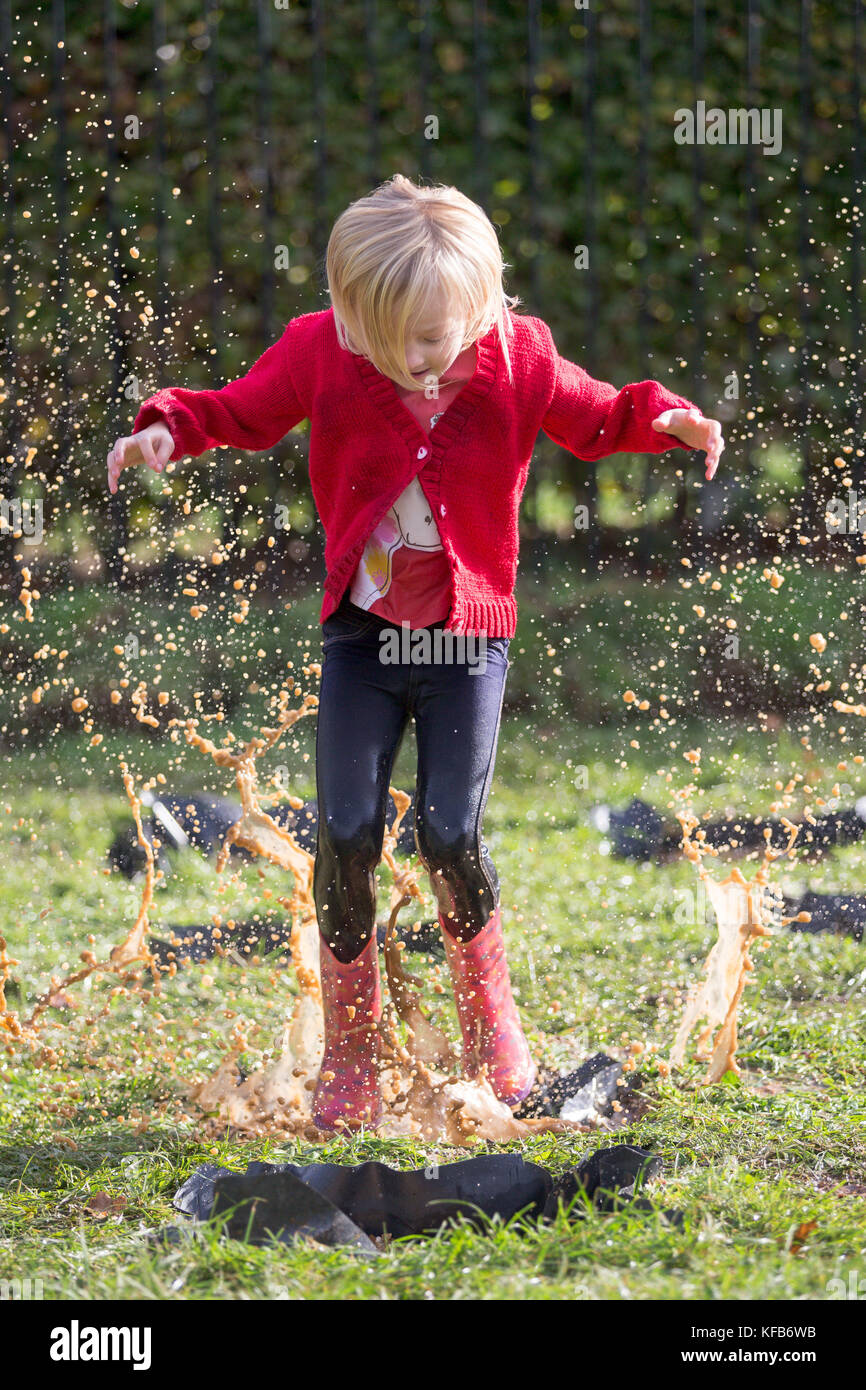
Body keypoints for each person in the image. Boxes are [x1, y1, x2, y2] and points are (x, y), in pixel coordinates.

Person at [107, 173, 724, 1131]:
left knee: (448, 833)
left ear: (481, 308)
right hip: (361, 643)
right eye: (383, 344)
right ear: (343, 315)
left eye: (433, 342)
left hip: (467, 647)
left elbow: (595, 413)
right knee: (345, 831)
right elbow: (242, 410)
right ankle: (351, 1051)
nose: (413, 365)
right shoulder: (320, 350)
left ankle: (492, 1031)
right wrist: (167, 428)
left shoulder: (518, 356)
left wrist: (667, 419)